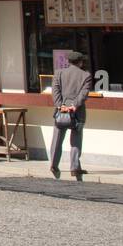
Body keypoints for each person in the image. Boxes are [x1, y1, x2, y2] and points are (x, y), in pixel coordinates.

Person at [50, 50, 93, 181]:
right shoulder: (86, 75)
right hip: (77, 112)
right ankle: (74, 167)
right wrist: (74, 105)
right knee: (76, 140)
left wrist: (59, 105)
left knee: (57, 139)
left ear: (68, 61)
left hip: (61, 111)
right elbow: (84, 94)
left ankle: (53, 165)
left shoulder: (59, 73)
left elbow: (55, 90)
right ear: (80, 62)